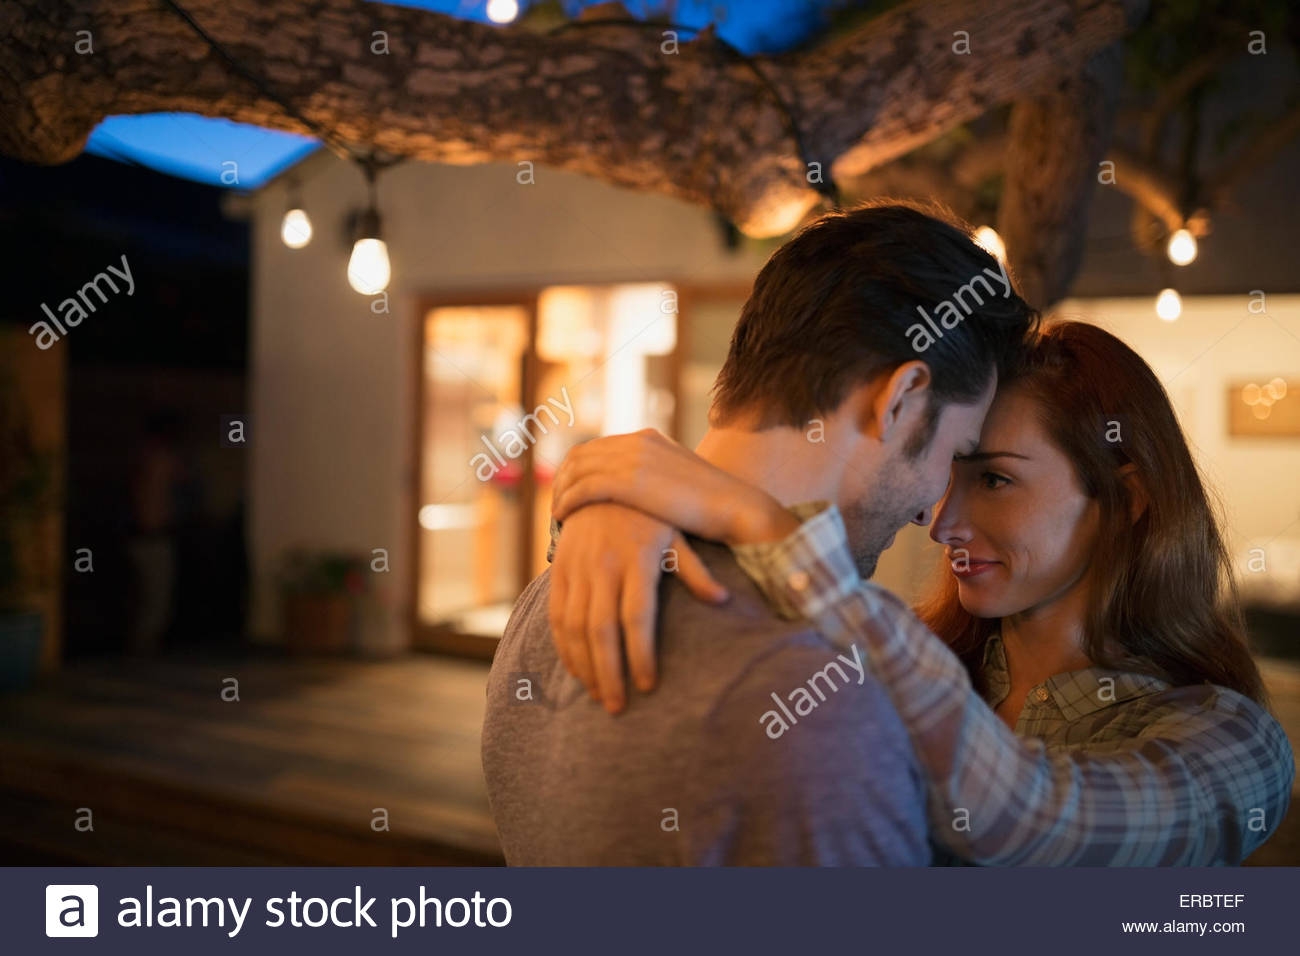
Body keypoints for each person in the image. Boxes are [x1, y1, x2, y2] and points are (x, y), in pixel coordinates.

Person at [548, 320, 1295, 865]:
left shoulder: (1231, 741)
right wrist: (612, 505)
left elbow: (1034, 821)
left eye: (995, 480)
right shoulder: (894, 654)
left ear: (1126, 496)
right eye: (950, 474)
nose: (943, 524)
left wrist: (764, 525)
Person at [480, 201, 1039, 864]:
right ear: (900, 399)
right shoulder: (818, 692)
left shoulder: (543, 603)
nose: (930, 514)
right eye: (953, 454)